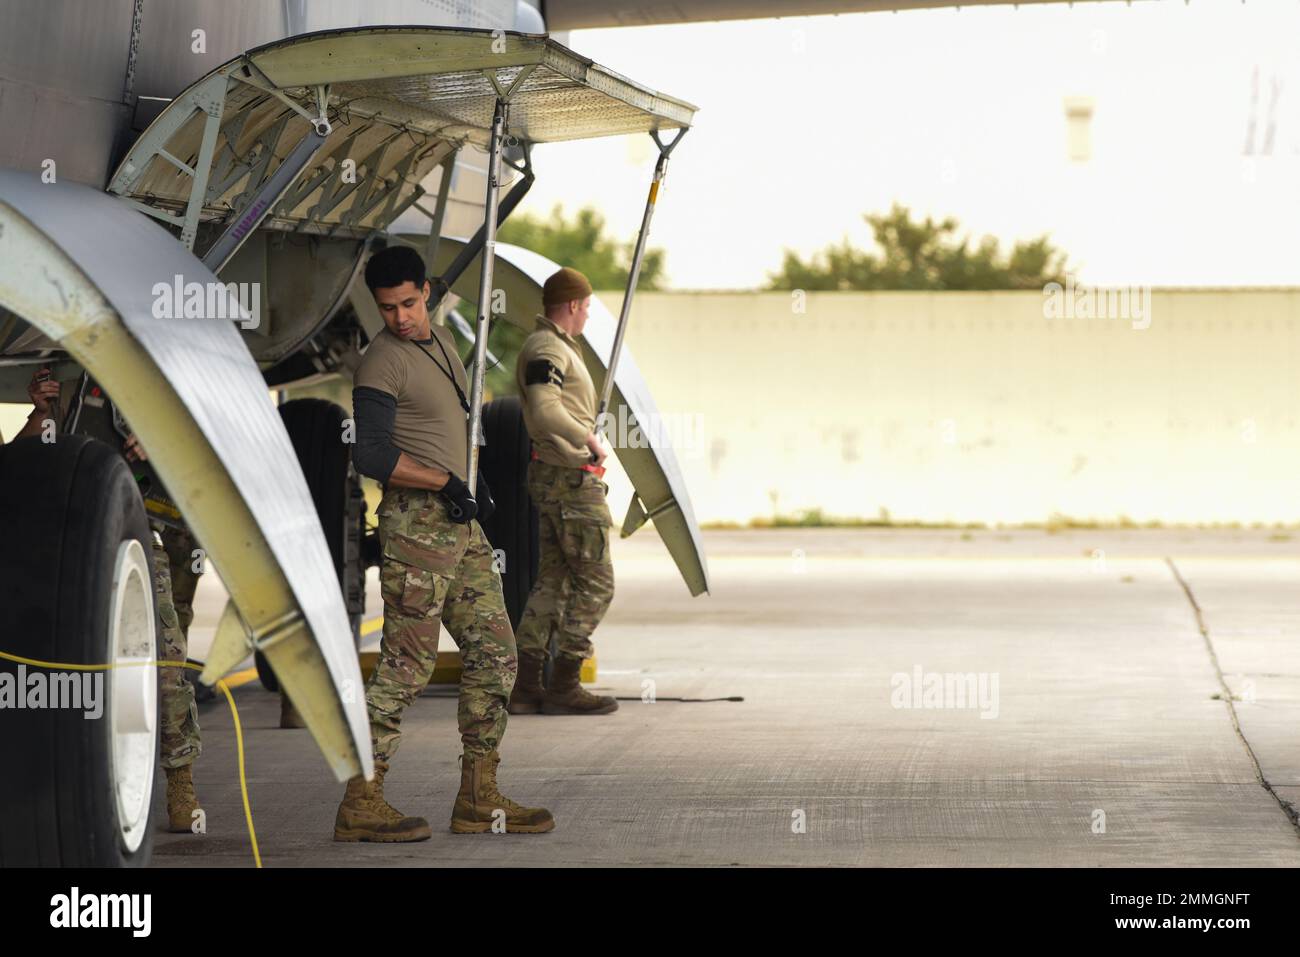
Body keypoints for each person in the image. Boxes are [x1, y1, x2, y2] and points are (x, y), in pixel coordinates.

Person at [337, 245, 553, 842]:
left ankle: (477, 796)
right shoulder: (383, 362)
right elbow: (372, 453)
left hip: (458, 524)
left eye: (408, 303)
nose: (400, 317)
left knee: (496, 654)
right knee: (407, 666)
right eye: (387, 308)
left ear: (426, 292)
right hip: (416, 526)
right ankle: (361, 798)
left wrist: (468, 489)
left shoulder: (441, 345)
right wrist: (445, 481)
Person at [508, 267, 618, 716]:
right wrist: (588, 439)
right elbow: (544, 406)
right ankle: (565, 682)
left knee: (551, 581)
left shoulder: (552, 347)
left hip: (552, 476)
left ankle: (526, 685)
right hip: (570, 480)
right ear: (573, 305)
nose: (589, 315)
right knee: (597, 583)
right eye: (588, 306)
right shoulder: (549, 348)